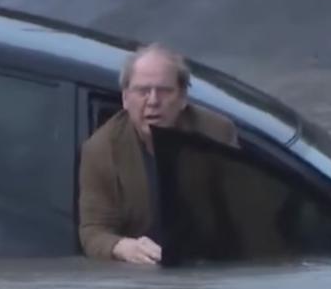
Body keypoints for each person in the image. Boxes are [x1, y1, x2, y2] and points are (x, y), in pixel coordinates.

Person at [78, 43, 238, 264]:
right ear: (125, 98)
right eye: (143, 91)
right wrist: (122, 246)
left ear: (182, 98)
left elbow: (240, 215)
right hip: (142, 280)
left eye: (164, 91)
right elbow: (93, 231)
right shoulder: (101, 149)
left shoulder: (216, 133)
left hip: (207, 269)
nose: (153, 101)